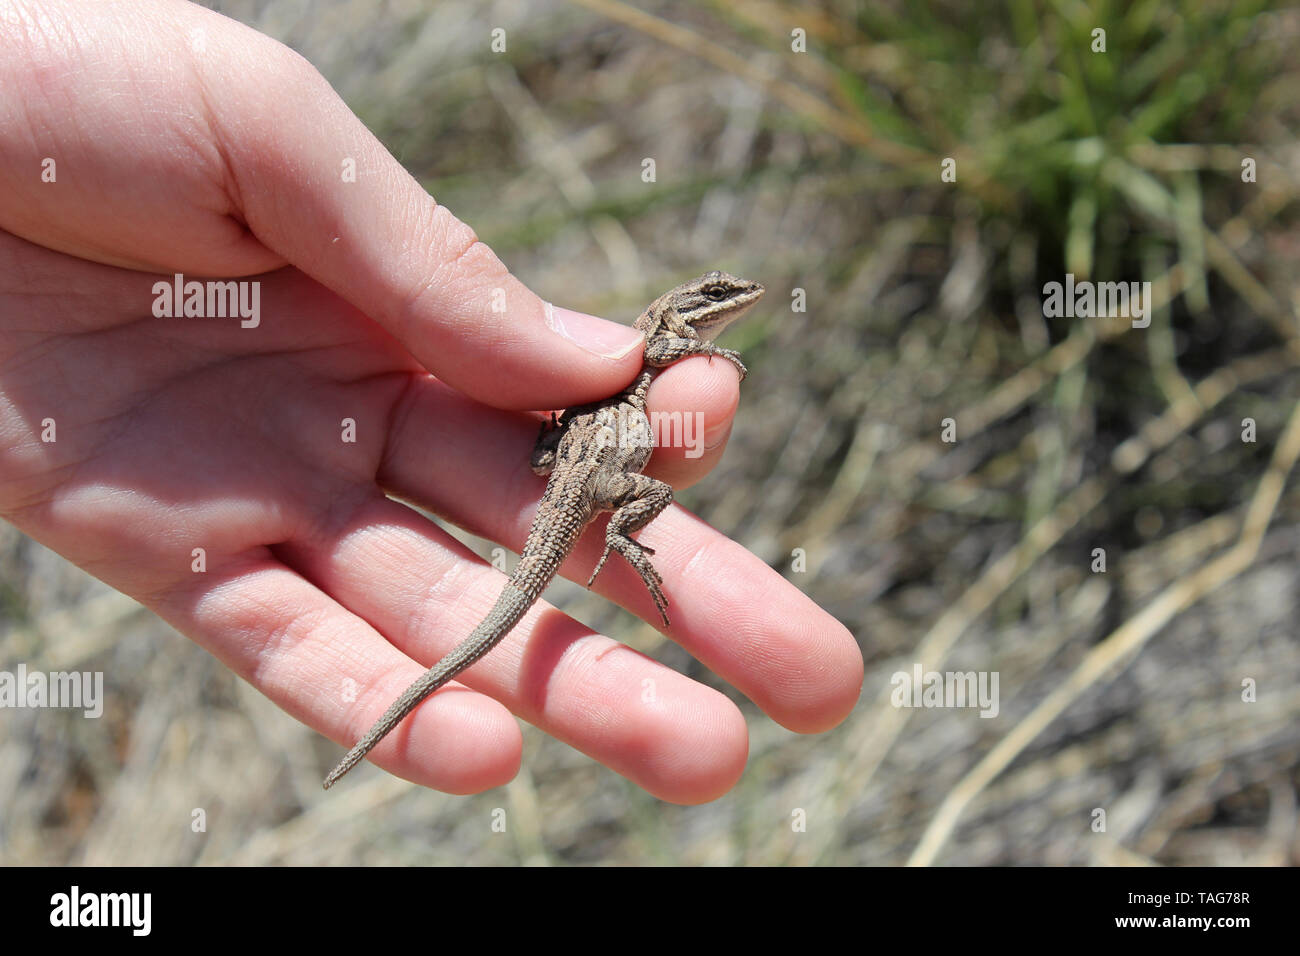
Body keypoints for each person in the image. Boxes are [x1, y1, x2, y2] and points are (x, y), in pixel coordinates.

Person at [0, 0, 862, 803]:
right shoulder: (664, 342)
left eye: (723, 300)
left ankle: (617, 541)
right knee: (657, 495)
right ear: (686, 311)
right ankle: (629, 544)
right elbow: (671, 355)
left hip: (571, 466)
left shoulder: (658, 352)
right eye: (715, 298)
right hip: (590, 478)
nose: (729, 300)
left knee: (639, 500)